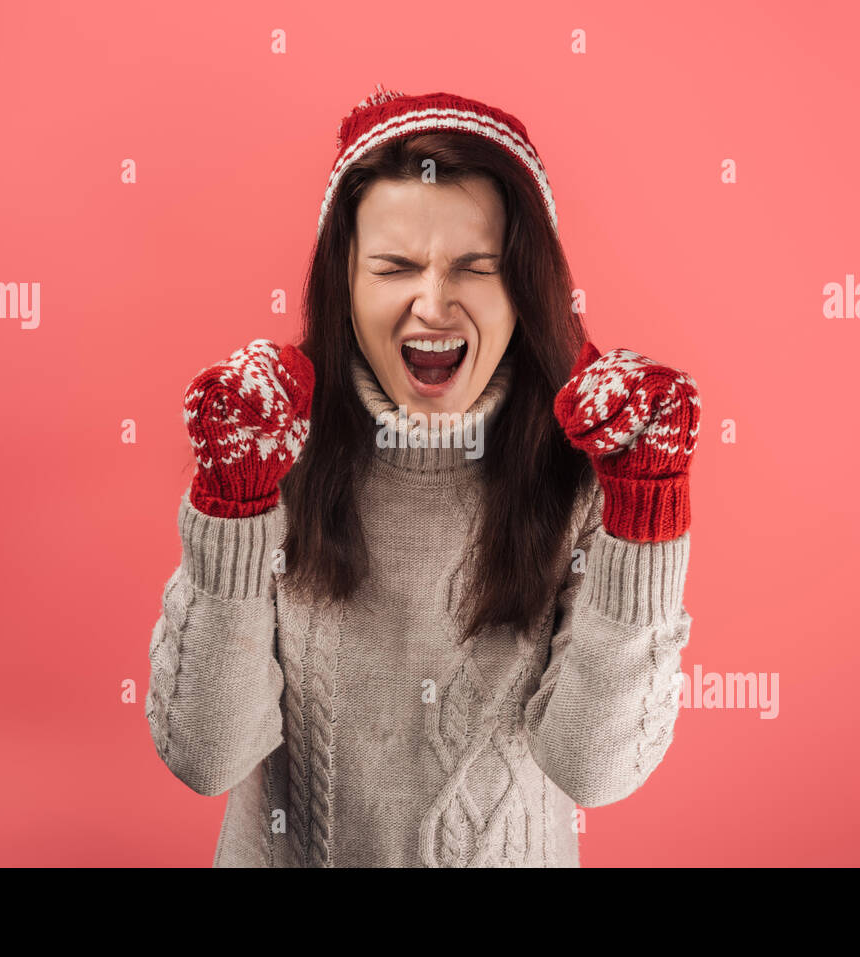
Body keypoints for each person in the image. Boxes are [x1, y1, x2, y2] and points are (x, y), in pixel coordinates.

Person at [145, 84, 702, 867]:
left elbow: (596, 770)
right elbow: (205, 754)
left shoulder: (588, 472)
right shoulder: (269, 444)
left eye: (475, 268)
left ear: (522, 289)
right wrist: (233, 507)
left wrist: (645, 514)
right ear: (346, 284)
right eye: (395, 266)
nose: (432, 304)